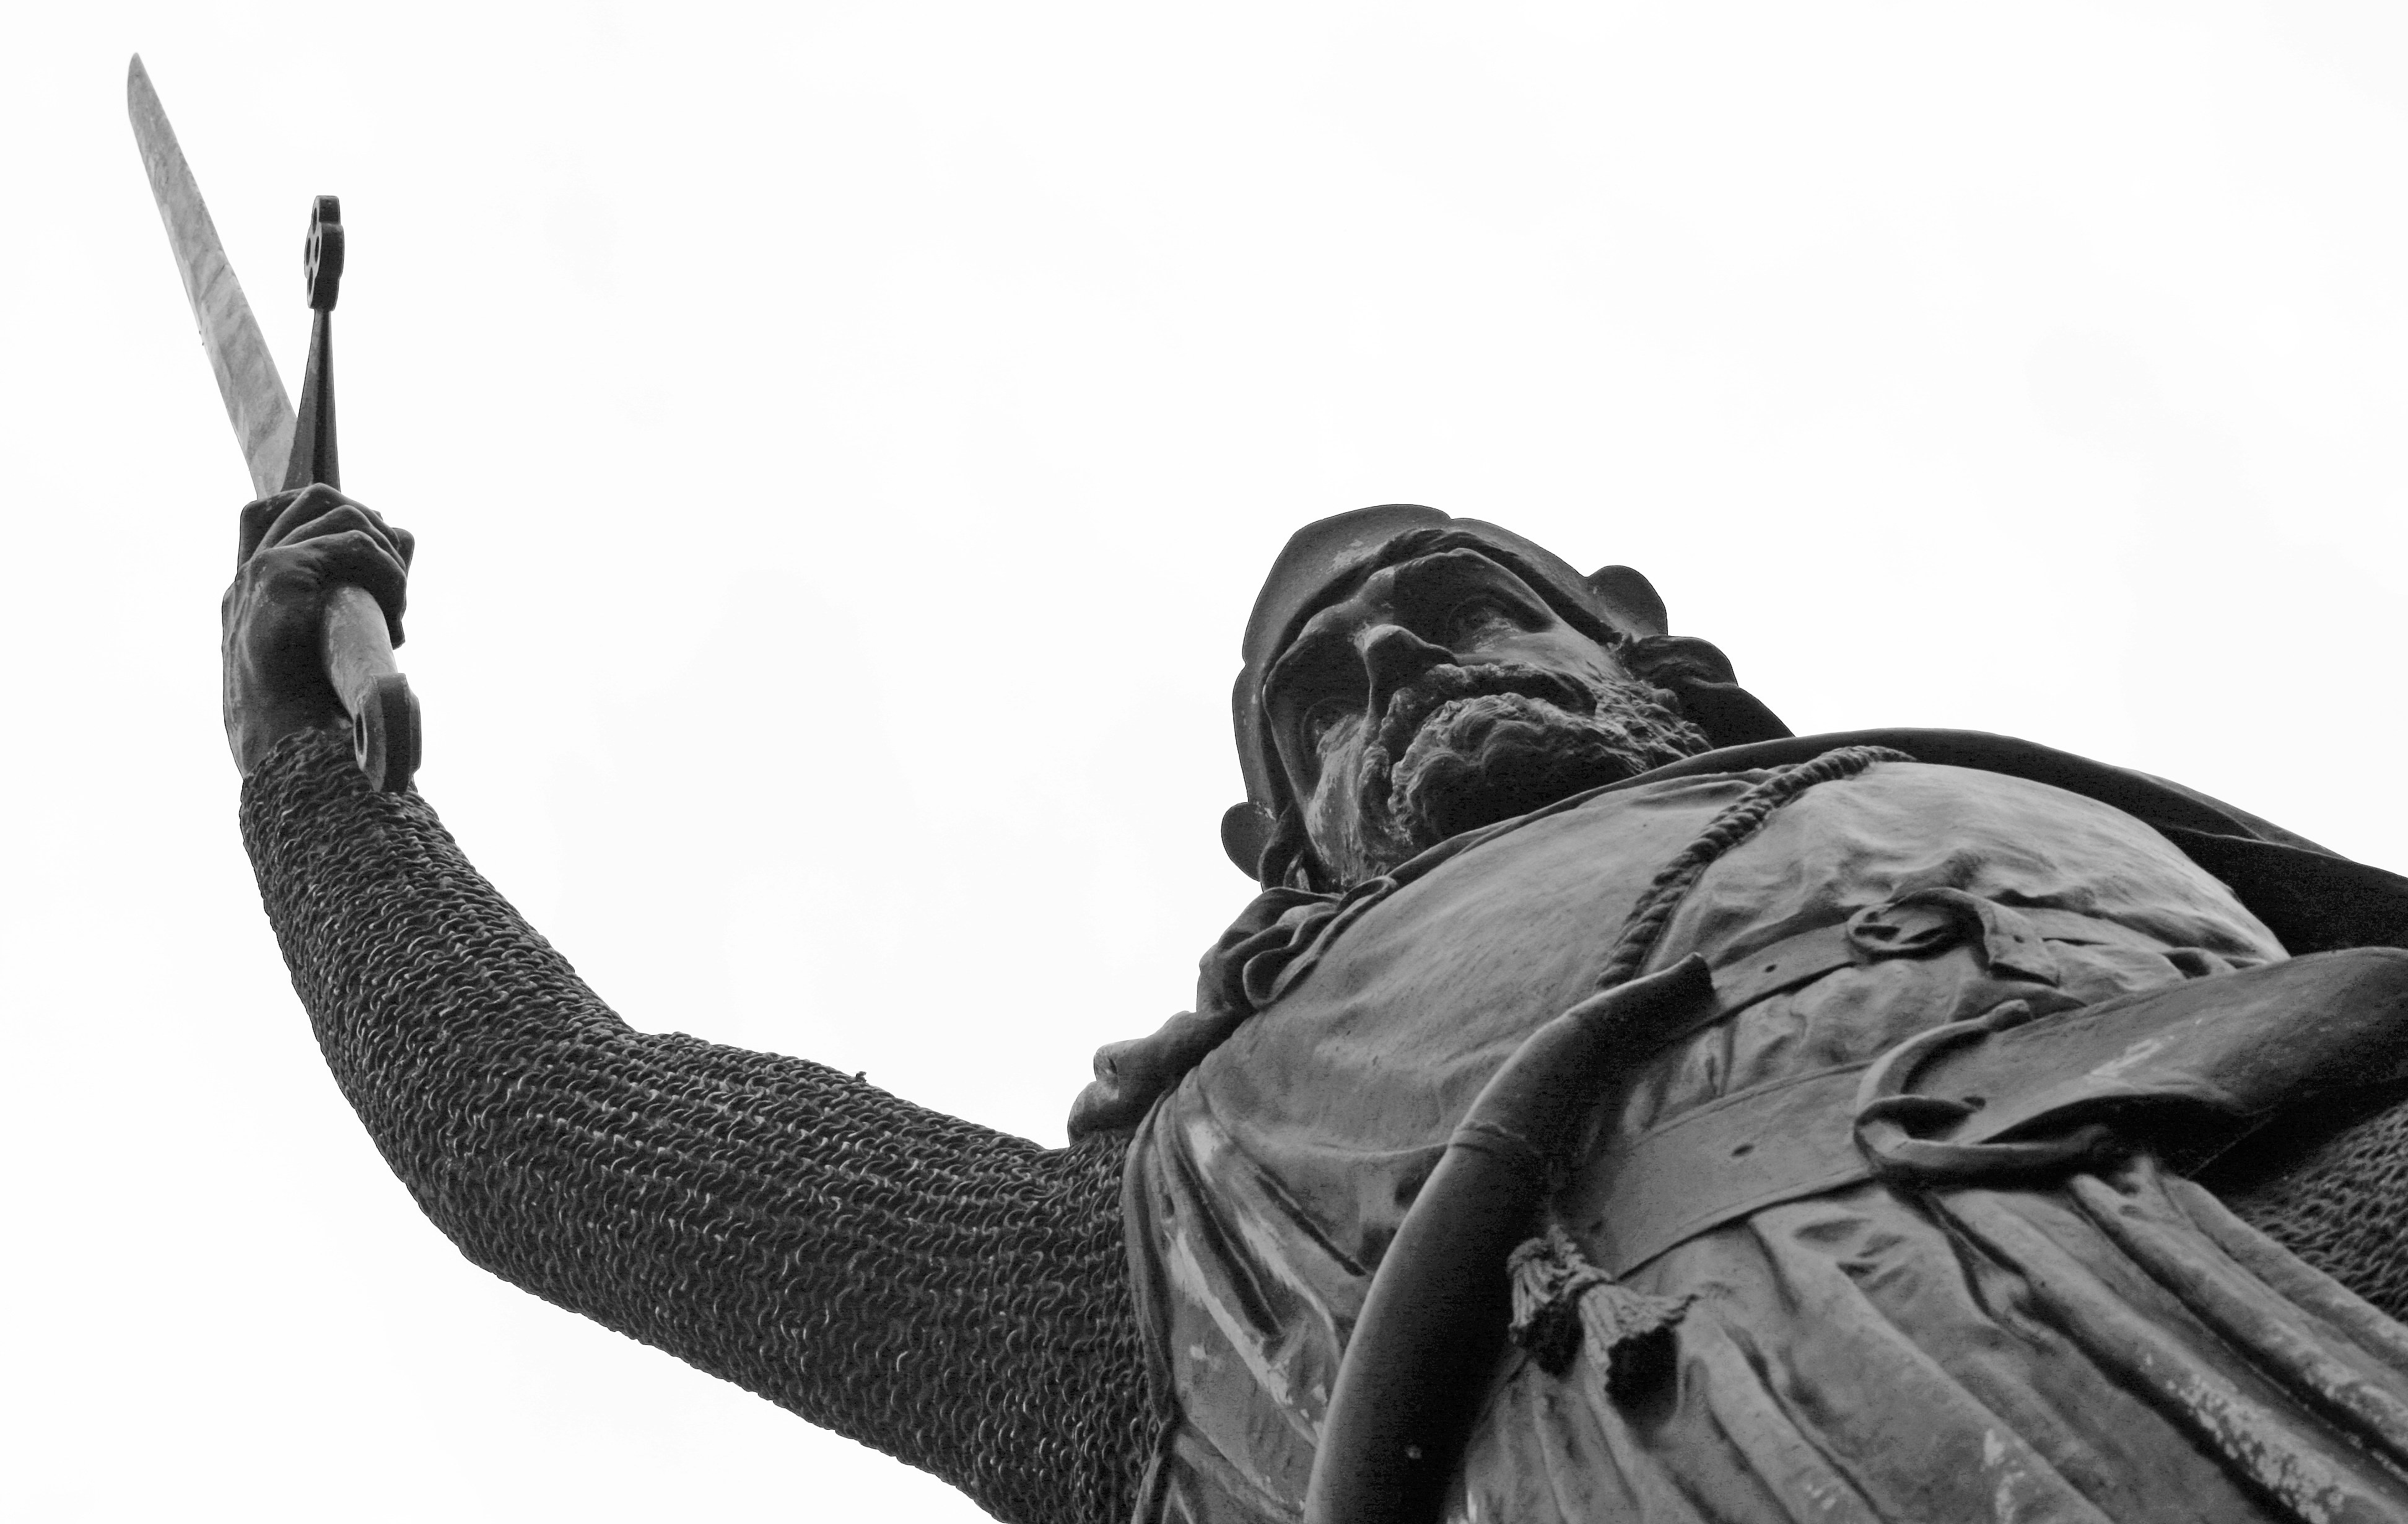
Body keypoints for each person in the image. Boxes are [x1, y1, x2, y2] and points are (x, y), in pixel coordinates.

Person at [226, 488, 2408, 1524]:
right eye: (1327, 702)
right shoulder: (1187, 1221)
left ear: (1648, 655)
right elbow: (553, 1135)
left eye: (1451, 614)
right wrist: (305, 779)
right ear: (1290, 856)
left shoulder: (2042, 807)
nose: (1406, 680)